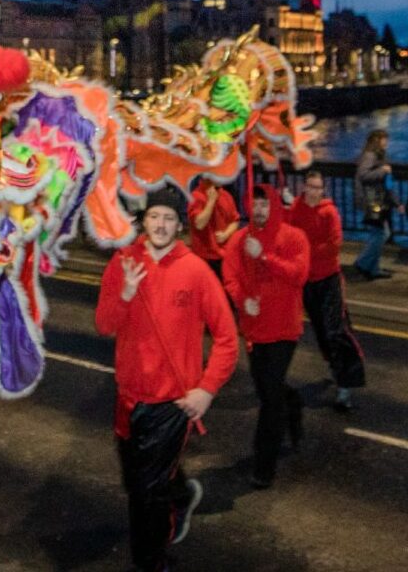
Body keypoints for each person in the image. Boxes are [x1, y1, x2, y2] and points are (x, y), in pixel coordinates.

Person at [96, 186, 238, 572]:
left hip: (171, 404)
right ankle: (180, 494)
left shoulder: (196, 271)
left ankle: (152, 563)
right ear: (144, 219)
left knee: (145, 495)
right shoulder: (124, 261)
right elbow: (104, 324)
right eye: (155, 217)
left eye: (169, 218)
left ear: (180, 224)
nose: (160, 225)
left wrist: (206, 390)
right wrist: (124, 292)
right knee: (136, 483)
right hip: (128, 398)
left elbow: (227, 338)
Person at [222, 186, 309, 489]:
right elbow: (230, 275)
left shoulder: (294, 237)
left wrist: (266, 257)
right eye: (254, 204)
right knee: (268, 390)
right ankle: (293, 401)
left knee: (269, 400)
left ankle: (264, 465)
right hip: (255, 331)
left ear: (274, 205)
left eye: (264, 204)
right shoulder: (239, 240)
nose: (259, 210)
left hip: (285, 330)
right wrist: (241, 299)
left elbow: (299, 274)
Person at [286, 169, 367, 411]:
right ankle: (335, 367)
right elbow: (289, 237)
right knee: (321, 331)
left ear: (323, 190)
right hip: (307, 282)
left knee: (336, 330)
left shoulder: (329, 212)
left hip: (329, 280)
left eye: (317, 188)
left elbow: (334, 245)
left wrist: (305, 250)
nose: (312, 191)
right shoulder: (296, 210)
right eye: (309, 186)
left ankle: (345, 384)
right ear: (304, 187)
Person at [353, 130, 400, 280]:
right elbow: (363, 175)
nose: (386, 142)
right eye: (383, 139)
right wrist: (382, 170)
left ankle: (373, 268)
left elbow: (387, 182)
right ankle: (363, 262)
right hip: (373, 199)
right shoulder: (370, 155)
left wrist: (396, 201)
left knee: (377, 233)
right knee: (381, 233)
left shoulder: (379, 155)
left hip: (378, 199)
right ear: (376, 140)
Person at [186, 177, 238, 279]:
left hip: (225, 257)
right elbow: (199, 224)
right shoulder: (196, 196)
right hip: (204, 259)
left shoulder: (226, 195)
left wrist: (226, 234)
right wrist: (211, 202)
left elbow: (235, 221)